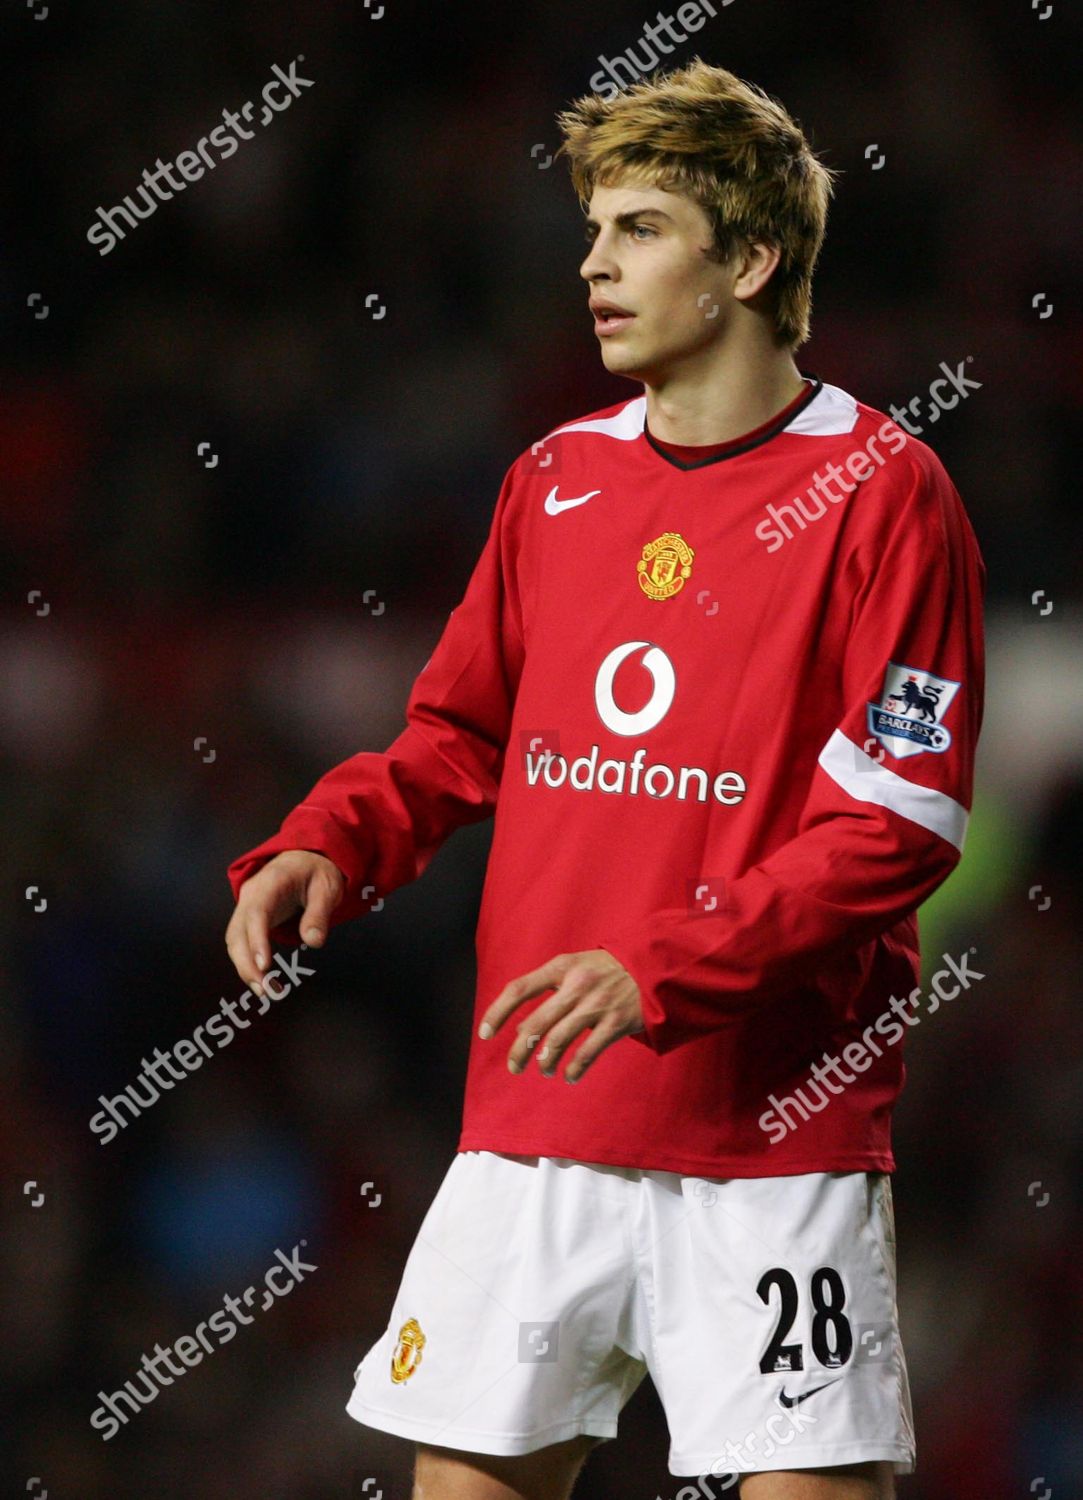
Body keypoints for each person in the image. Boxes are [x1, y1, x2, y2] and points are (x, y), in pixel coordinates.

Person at [225, 59, 985, 1500]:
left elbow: (897, 823)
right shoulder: (552, 479)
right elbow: (458, 734)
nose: (593, 265)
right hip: (539, 1122)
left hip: (772, 1140)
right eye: (593, 230)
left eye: (638, 229)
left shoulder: (887, 493)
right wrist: (335, 839)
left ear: (749, 262)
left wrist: (664, 969)